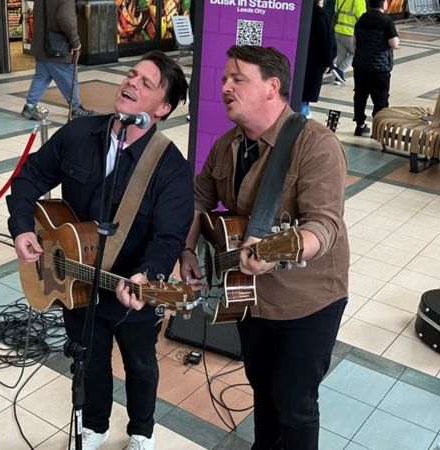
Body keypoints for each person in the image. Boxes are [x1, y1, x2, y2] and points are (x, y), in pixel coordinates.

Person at [7, 51, 193, 450]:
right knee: (88, 359)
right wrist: (22, 227)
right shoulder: (79, 134)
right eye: (131, 74)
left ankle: (141, 431)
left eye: (146, 83)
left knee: (140, 364)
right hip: (76, 284)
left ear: (162, 108)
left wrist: (148, 274)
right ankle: (95, 425)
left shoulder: (171, 167)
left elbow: (169, 237)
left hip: (130, 287)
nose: (131, 83)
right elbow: (29, 177)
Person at [180, 45, 350, 450]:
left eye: (238, 79)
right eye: (225, 79)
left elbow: (325, 224)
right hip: (247, 297)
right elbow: (198, 199)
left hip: (306, 302)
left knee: (295, 404)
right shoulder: (227, 145)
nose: (225, 86)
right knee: (261, 388)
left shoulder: (316, 144)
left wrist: (278, 251)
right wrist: (187, 251)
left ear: (272, 87)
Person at [21, 0, 94, 120]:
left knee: (41, 77)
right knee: (70, 76)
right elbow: (66, 19)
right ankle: (75, 107)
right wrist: (75, 42)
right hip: (58, 47)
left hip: (41, 44)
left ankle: (30, 106)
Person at [352, 0, 399, 136]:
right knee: (380, 99)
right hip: (379, 67)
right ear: (384, 4)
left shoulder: (362, 19)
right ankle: (378, 130)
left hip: (360, 66)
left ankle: (360, 125)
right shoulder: (386, 21)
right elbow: (394, 43)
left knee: (360, 96)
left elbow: (355, 42)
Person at [302, 0, 335, 118]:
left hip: (297, 58)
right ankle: (303, 113)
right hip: (314, 60)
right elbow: (326, 40)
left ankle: (303, 111)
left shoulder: (297, 10)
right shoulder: (320, 15)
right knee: (306, 92)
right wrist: (328, 62)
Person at [332, 0, 366, 84]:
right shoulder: (359, 1)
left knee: (341, 55)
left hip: (338, 31)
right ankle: (340, 70)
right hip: (350, 33)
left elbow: (336, 12)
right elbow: (362, 18)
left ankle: (338, 78)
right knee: (356, 52)